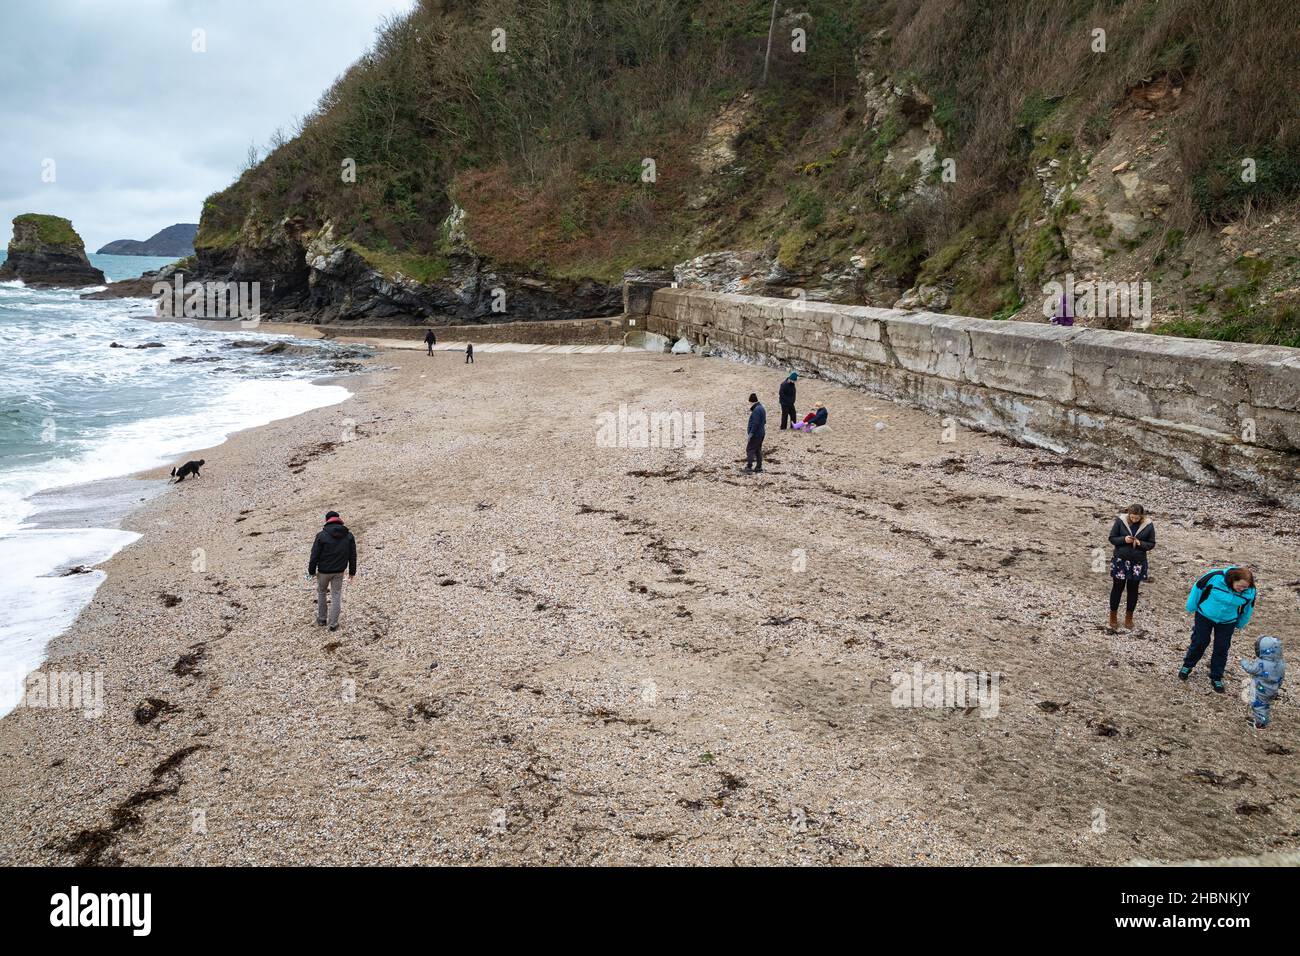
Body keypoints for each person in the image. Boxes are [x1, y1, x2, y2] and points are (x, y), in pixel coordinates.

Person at [1179, 566, 1256, 693]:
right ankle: (1187, 665)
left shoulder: (1250, 591)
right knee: (1200, 641)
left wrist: (1240, 623)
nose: (1242, 589)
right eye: (1240, 586)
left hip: (1227, 621)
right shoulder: (1215, 577)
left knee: (1222, 647)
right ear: (1233, 580)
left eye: (1245, 588)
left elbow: (1248, 608)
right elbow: (1197, 589)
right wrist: (1191, 606)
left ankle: (1216, 676)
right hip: (1205, 614)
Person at [1107, 504, 1155, 630]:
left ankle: (1129, 618)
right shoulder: (1120, 521)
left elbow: (1151, 544)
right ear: (1129, 514)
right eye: (1132, 517)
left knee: (1133, 589)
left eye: (1136, 518)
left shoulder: (1148, 525)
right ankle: (1113, 616)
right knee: (1117, 588)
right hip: (1121, 560)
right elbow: (1112, 538)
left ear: (1141, 516)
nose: (1134, 520)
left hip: (1137, 562)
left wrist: (1140, 543)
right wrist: (1124, 539)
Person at [308, 510, 357, 632]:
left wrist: (311, 571)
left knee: (321, 592)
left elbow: (314, 555)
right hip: (339, 571)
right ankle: (333, 624)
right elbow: (353, 555)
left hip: (323, 571)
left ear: (327, 521)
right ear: (338, 519)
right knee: (336, 595)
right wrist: (352, 572)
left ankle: (322, 619)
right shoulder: (349, 535)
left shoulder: (321, 536)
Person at [1240, 636, 1285, 728]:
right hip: (1273, 689)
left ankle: (1261, 723)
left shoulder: (1261, 663)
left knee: (1258, 706)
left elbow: (1251, 669)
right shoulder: (1280, 663)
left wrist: (1243, 661)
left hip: (1261, 689)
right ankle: (1263, 718)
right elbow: (1281, 677)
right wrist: (1277, 687)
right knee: (1265, 705)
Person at [745, 392, 766, 473]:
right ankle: (758, 467)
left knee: (749, 449)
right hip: (761, 433)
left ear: (751, 402)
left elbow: (755, 423)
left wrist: (751, 433)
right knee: (757, 449)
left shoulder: (756, 410)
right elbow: (764, 421)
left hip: (756, 434)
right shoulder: (761, 408)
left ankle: (749, 467)